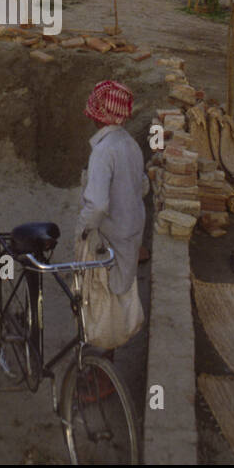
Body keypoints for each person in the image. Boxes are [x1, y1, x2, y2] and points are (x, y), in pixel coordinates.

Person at [77, 80, 147, 308]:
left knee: (104, 297)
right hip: (132, 231)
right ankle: (113, 340)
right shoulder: (131, 144)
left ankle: (103, 341)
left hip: (111, 237)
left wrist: (83, 231)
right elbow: (143, 185)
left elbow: (97, 205)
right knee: (121, 293)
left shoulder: (104, 151)